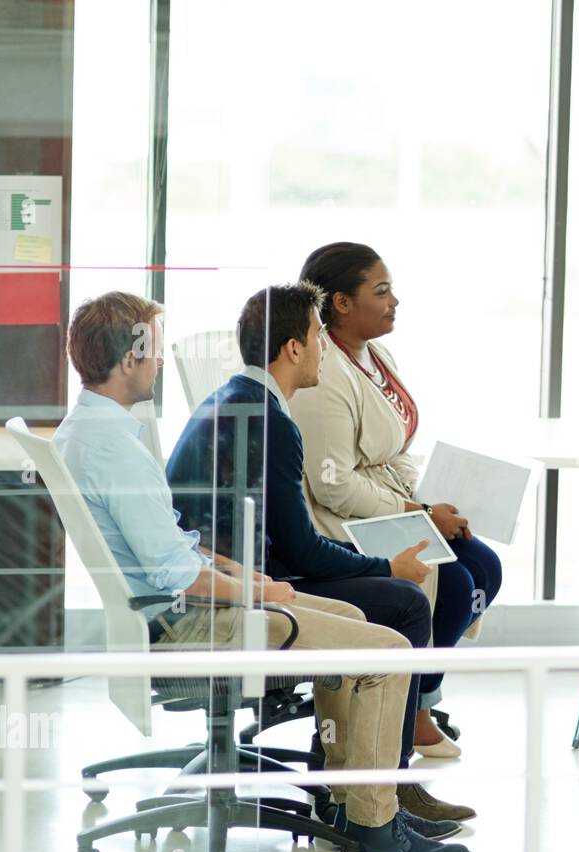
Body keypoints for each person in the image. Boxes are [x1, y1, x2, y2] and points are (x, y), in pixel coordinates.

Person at [55, 290, 469, 852]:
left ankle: (346, 799)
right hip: (190, 623)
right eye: (152, 353)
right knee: (390, 650)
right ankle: (374, 824)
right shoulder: (114, 447)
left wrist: (245, 575)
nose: (161, 363)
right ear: (129, 359)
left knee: (355, 622)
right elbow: (176, 571)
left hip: (168, 611)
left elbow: (173, 544)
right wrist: (261, 591)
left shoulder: (89, 430)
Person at [165, 282, 475, 824]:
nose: (323, 351)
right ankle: (387, 788)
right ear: (292, 349)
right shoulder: (272, 420)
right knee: (403, 602)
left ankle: (351, 774)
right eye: (316, 339)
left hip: (226, 578)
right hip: (242, 593)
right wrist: (384, 565)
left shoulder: (234, 398)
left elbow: (290, 540)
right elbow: (303, 551)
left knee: (391, 590)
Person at [293, 242, 503, 758]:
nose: (394, 301)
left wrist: (427, 501)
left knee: (484, 564)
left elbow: (399, 448)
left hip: (393, 502)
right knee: (451, 579)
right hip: (344, 523)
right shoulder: (324, 377)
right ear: (341, 303)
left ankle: (418, 700)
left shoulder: (376, 355)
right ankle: (410, 712)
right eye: (380, 291)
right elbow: (333, 485)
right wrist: (417, 515)